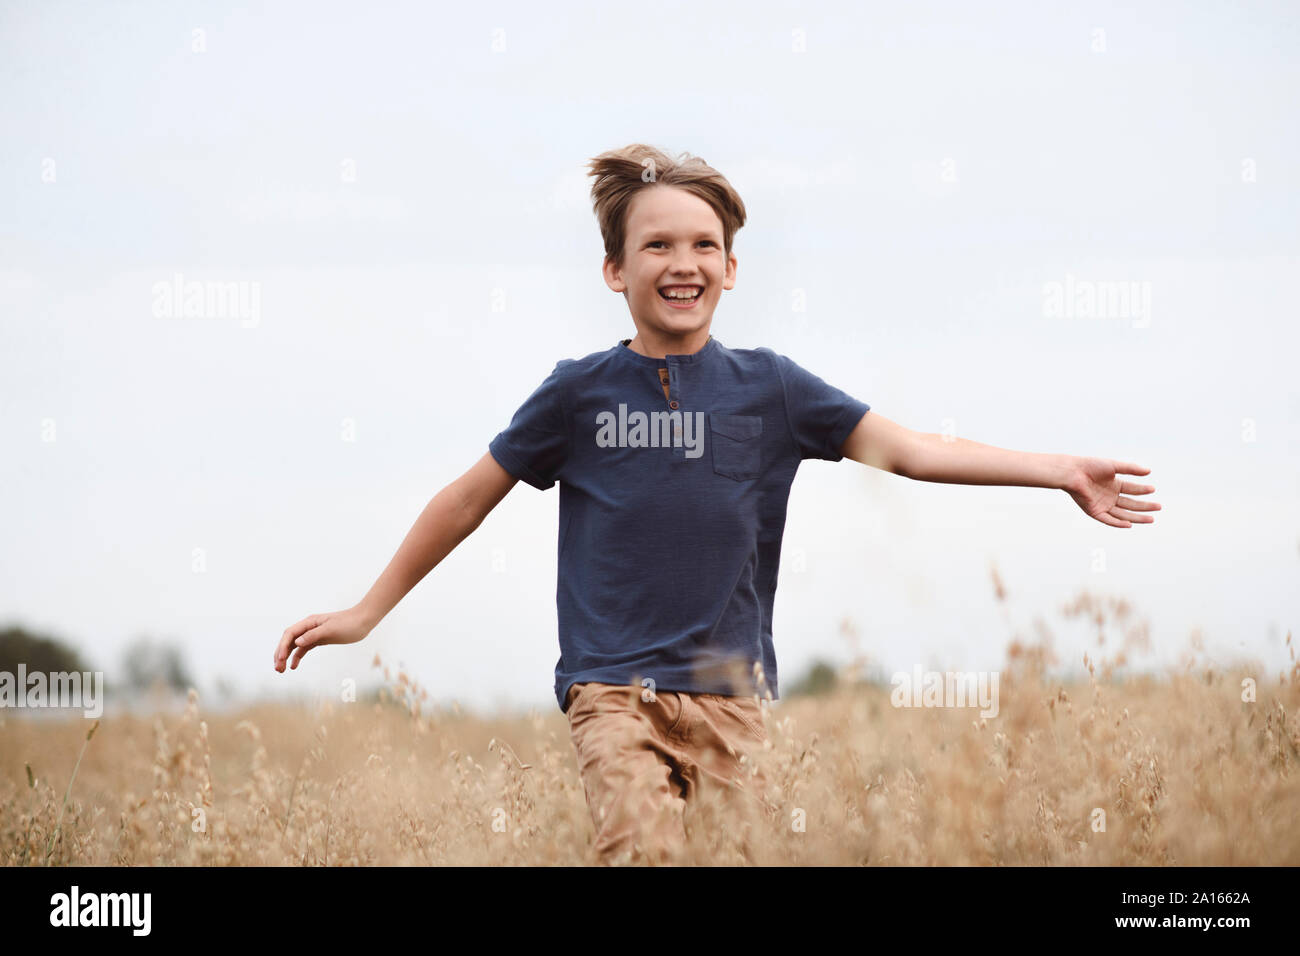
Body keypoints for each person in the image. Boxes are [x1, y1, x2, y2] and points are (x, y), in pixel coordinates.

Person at [272, 143, 1161, 865]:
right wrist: (365, 612)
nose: (681, 262)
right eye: (656, 246)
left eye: (702, 245)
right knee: (641, 853)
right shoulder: (576, 395)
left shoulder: (771, 389)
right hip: (613, 689)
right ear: (615, 270)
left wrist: (1057, 470)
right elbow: (467, 500)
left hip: (735, 696)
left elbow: (916, 451)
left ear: (732, 269)